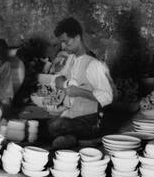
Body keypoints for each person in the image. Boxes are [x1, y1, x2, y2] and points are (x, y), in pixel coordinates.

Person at [45, 17, 114, 150]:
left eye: (66, 42)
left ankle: (84, 138)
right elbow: (57, 78)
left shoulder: (93, 64)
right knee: (43, 125)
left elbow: (107, 96)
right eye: (61, 43)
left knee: (55, 126)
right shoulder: (72, 58)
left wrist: (79, 92)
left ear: (77, 38)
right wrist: (61, 81)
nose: (63, 47)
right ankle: (74, 139)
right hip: (72, 115)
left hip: (90, 120)